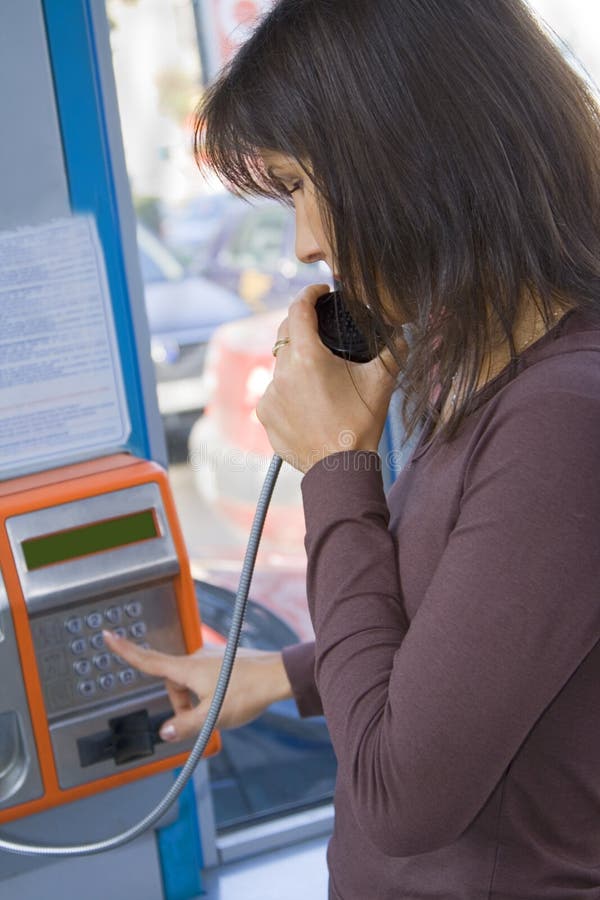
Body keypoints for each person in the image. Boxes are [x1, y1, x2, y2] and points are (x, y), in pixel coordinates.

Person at [104, 0, 600, 896]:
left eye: (299, 188)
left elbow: (401, 797)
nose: (303, 247)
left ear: (409, 158)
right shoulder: (493, 371)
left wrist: (338, 468)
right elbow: (475, 636)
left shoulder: (563, 420)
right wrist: (278, 674)